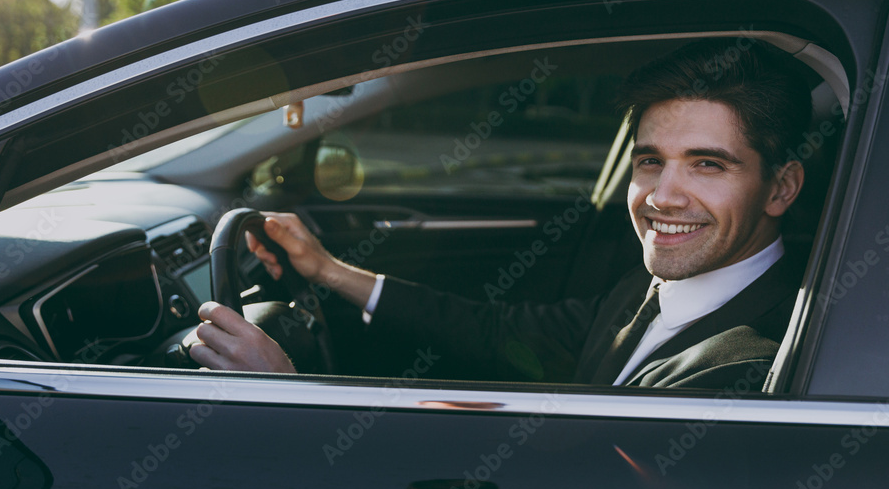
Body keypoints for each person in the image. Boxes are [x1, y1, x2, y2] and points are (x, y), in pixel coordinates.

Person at [189, 38, 812, 389]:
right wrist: (329, 271)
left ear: (780, 188)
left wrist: (286, 393)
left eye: (707, 164)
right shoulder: (661, 287)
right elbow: (498, 333)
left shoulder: (746, 365)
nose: (662, 196)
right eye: (650, 161)